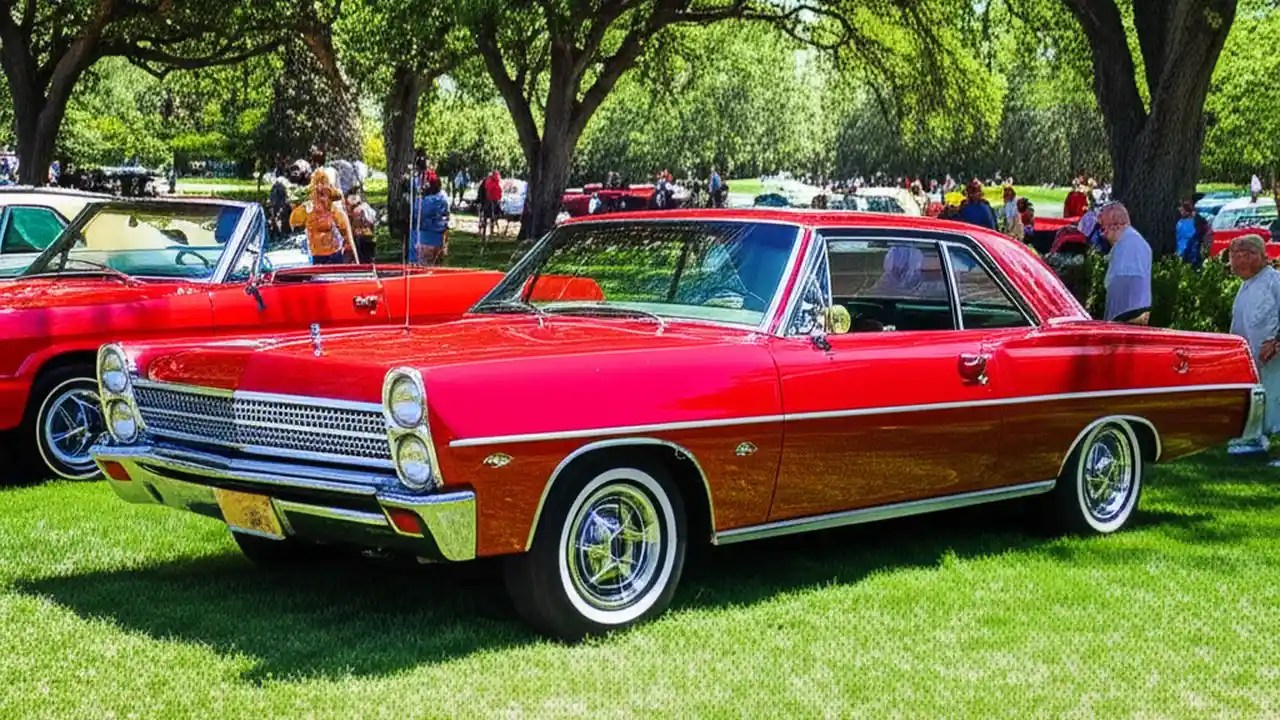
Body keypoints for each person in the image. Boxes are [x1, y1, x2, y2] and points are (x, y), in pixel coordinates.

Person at [1228, 233, 1280, 457]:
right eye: (1236, 255)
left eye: (1247, 254)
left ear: (1261, 256)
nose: (1241, 261)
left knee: (1274, 397)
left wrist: (1277, 343)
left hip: (1272, 358)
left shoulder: (1274, 281)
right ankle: (1257, 440)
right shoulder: (1246, 286)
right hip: (1251, 359)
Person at [1099, 202, 1152, 324]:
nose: (1103, 234)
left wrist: (1109, 321)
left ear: (1116, 226)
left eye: (1103, 228)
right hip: (1131, 313)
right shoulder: (1130, 241)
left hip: (1128, 315)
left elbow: (1121, 286)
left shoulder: (1129, 244)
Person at [289, 170, 354, 265]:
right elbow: (294, 222)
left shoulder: (333, 210)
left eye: (324, 194)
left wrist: (347, 244)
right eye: (319, 194)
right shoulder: (307, 208)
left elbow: (343, 228)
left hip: (334, 253)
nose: (322, 198)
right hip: (316, 255)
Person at [412, 172, 450, 266]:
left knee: (424, 269)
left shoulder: (423, 202)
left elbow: (416, 215)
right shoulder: (443, 197)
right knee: (436, 268)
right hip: (440, 239)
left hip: (425, 239)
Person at [345, 185, 377, 264]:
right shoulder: (365, 208)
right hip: (364, 237)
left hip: (363, 237)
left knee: (364, 255)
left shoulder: (362, 208)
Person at [1175, 200, 1199, 265]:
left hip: (1189, 250)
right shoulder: (1180, 222)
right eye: (1180, 211)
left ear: (1187, 212)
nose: (1181, 212)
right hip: (1181, 249)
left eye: (1182, 210)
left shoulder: (1192, 222)